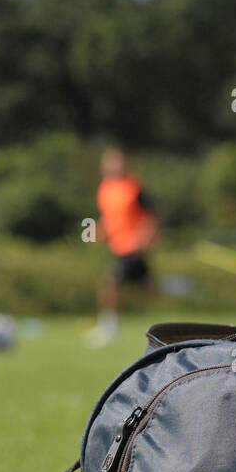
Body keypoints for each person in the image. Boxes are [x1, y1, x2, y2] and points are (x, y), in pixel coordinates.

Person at [88, 147, 159, 347]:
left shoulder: (134, 187)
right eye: (109, 162)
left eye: (117, 161)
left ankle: (109, 329)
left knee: (109, 283)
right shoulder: (104, 188)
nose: (114, 165)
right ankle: (184, 288)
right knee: (147, 289)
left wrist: (145, 238)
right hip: (117, 247)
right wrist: (99, 232)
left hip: (133, 247)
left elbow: (152, 215)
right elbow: (110, 218)